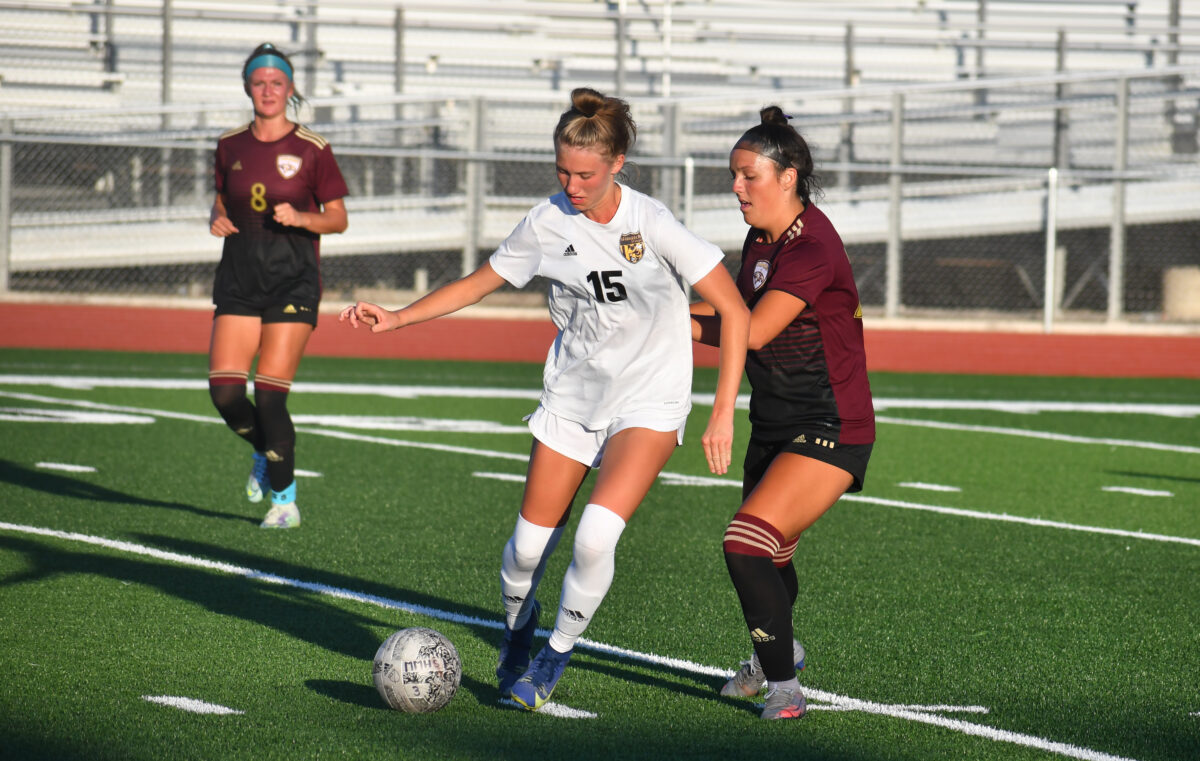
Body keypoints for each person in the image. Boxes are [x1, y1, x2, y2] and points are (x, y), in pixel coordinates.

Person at [341, 87, 749, 711]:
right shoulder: (545, 222)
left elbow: (734, 311)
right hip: (572, 397)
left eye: (585, 174)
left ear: (617, 164)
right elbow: (479, 283)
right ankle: (517, 630)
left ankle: (553, 656)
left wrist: (722, 413)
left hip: (650, 398)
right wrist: (397, 317)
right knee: (526, 552)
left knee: (594, 538)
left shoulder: (653, 223)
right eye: (562, 171)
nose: (572, 185)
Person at [690, 106, 875, 720]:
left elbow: (755, 330)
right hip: (773, 423)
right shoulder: (761, 238)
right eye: (734, 175)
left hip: (830, 426)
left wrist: (662, 321)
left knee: (744, 546)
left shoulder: (812, 246)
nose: (736, 187)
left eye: (749, 176)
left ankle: (785, 689)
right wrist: (658, 314)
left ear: (788, 176)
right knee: (769, 554)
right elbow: (733, 315)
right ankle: (778, 652)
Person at [207, 42, 349, 528]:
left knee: (269, 397)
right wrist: (216, 215)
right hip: (238, 281)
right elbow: (222, 198)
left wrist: (303, 217)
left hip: (293, 283)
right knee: (226, 395)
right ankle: (265, 452)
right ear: (248, 87)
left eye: (277, 82)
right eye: (259, 82)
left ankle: (285, 502)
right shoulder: (229, 144)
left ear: (290, 89)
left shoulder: (313, 148)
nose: (268, 90)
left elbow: (338, 219)